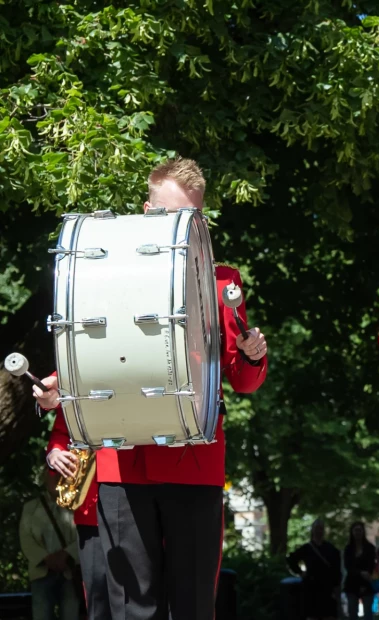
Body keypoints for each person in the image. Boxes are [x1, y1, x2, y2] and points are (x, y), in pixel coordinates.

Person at [34, 157, 269, 620]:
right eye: (171, 215)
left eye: (192, 217)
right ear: (146, 210)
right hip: (124, 462)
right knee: (131, 606)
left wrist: (255, 355)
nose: (183, 227)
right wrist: (58, 387)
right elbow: (93, 345)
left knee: (193, 604)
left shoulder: (223, 282)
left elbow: (242, 380)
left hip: (195, 462)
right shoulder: (109, 270)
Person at [45, 407, 108, 620]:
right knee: (98, 603)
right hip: (91, 512)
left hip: (138, 502)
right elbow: (61, 433)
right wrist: (54, 452)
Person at [20, 466, 80, 620]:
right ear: (45, 477)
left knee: (71, 614)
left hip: (69, 572)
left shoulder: (77, 505)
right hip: (41, 572)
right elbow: (26, 540)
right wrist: (46, 558)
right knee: (42, 615)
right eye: (53, 474)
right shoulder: (31, 507)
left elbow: (83, 536)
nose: (57, 478)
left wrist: (67, 555)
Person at [287, 519, 343, 620]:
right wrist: (300, 573)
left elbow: (337, 570)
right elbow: (291, 560)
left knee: (329, 615)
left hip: (327, 588)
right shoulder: (307, 548)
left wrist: (336, 587)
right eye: (317, 528)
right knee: (312, 616)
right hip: (311, 588)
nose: (319, 531)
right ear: (313, 530)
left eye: (321, 528)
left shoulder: (331, 549)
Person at [343, 522, 378, 620]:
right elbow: (348, 566)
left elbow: (372, 565)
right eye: (355, 530)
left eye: (360, 530)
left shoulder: (370, 548)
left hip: (367, 584)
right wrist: (360, 573)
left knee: (368, 613)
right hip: (351, 584)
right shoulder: (348, 549)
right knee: (353, 612)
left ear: (363, 532)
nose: (358, 532)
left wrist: (366, 574)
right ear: (352, 532)